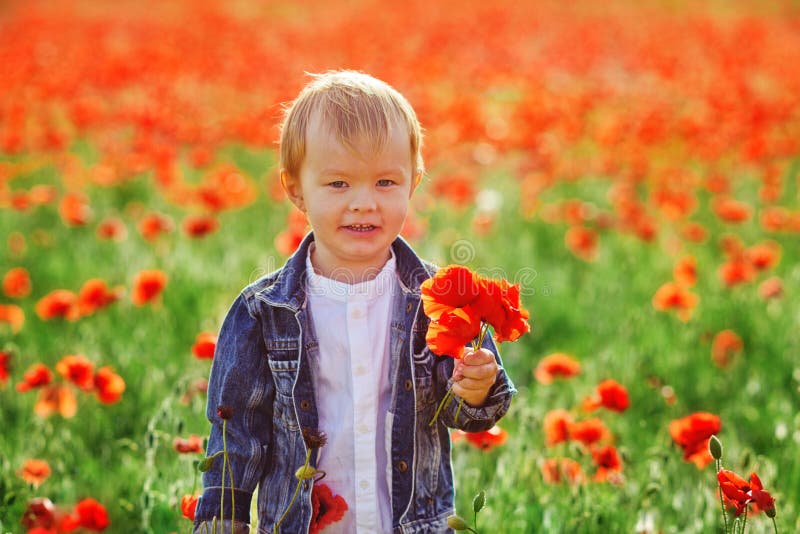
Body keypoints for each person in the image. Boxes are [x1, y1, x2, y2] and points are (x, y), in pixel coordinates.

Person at [193, 70, 516, 534]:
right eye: (339, 184)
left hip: (408, 524)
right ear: (295, 189)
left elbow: (468, 414)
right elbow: (236, 427)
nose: (364, 203)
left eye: (385, 182)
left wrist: (478, 386)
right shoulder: (263, 312)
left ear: (415, 181)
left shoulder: (441, 300)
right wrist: (222, 516)